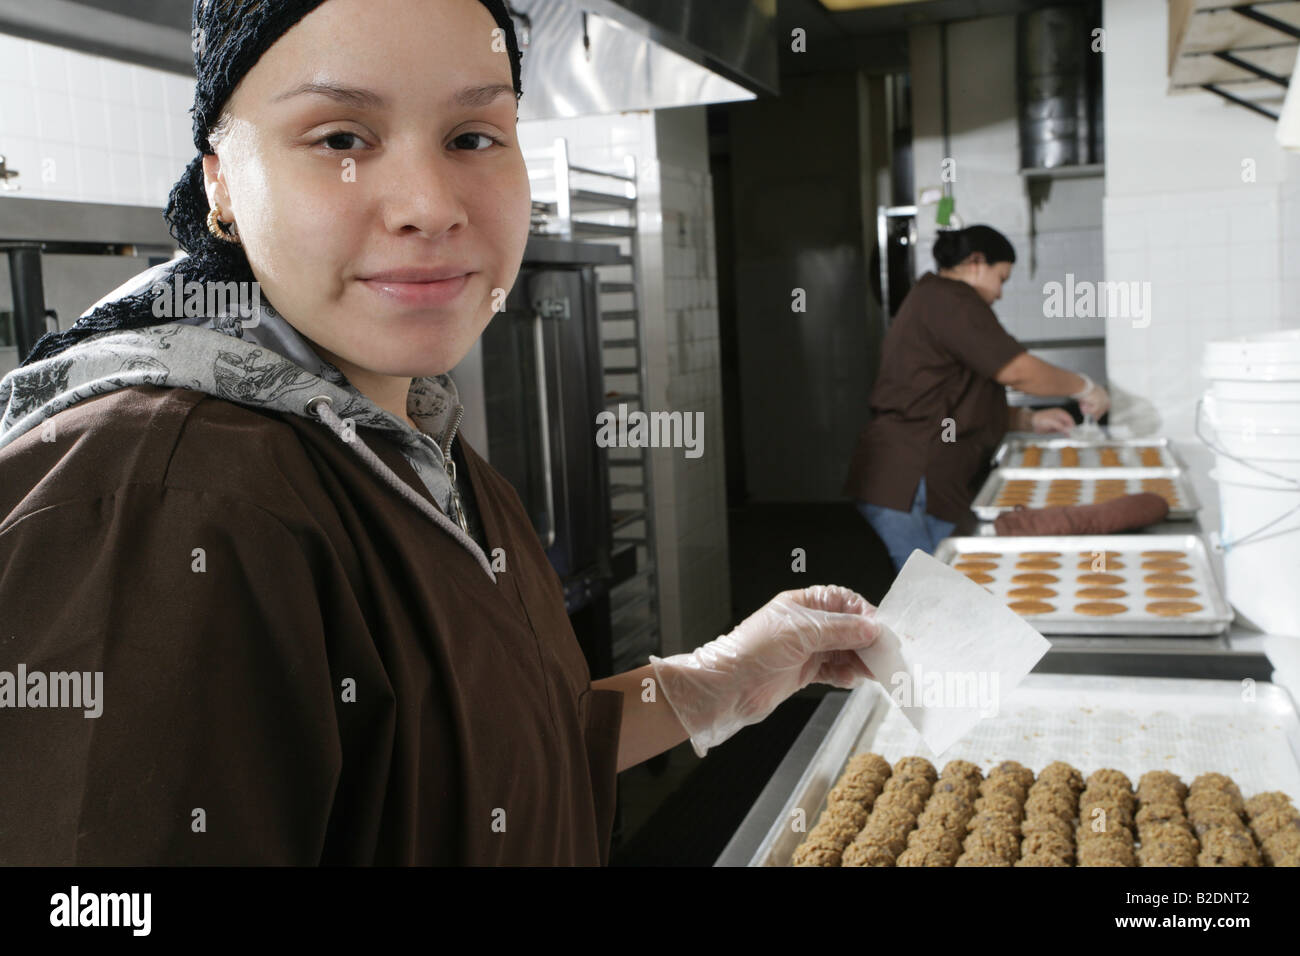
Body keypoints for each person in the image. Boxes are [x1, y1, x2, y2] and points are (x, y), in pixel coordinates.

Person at [0, 0, 878, 865]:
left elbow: (476, 769)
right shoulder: (162, 498)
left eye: (472, 136)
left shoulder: (403, 437)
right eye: (340, 138)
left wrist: (716, 681)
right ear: (220, 181)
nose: (430, 205)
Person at [843, 225, 1110, 572]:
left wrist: (1029, 420)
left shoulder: (939, 299)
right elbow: (1016, 371)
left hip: (918, 473)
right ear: (976, 261)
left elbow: (956, 394)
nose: (1000, 293)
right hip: (909, 476)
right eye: (1001, 278)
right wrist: (1084, 386)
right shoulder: (949, 298)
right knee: (932, 590)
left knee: (941, 584)